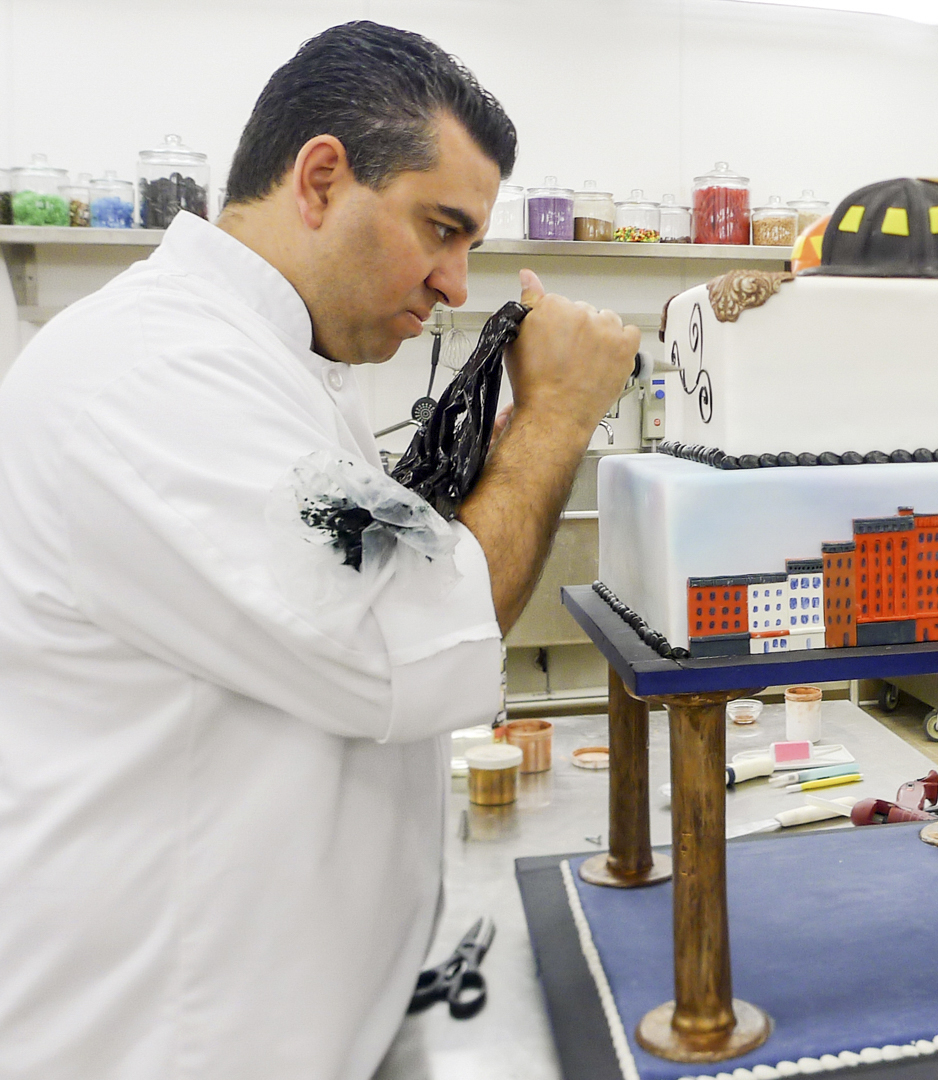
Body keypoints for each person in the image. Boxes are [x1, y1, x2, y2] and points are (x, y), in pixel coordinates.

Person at [0, 22, 637, 1080]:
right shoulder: (157, 375)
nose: (453, 282)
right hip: (165, 1041)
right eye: (441, 228)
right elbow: (416, 635)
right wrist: (556, 414)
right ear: (321, 177)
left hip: (303, 1020)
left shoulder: (274, 370)